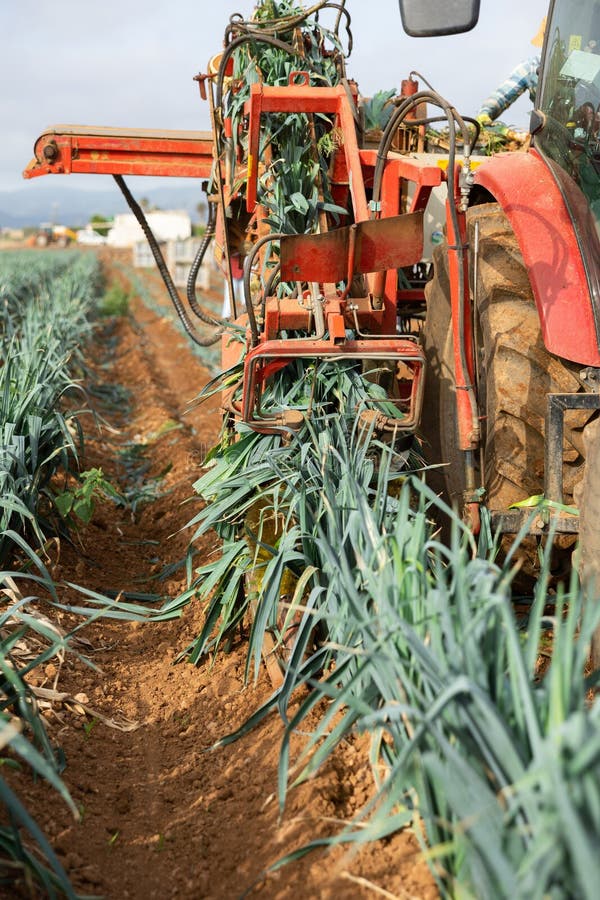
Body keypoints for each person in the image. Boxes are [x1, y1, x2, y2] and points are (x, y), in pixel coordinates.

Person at [476, 17, 546, 126]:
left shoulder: (578, 62)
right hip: (548, 133)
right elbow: (502, 95)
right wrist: (485, 113)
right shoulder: (531, 68)